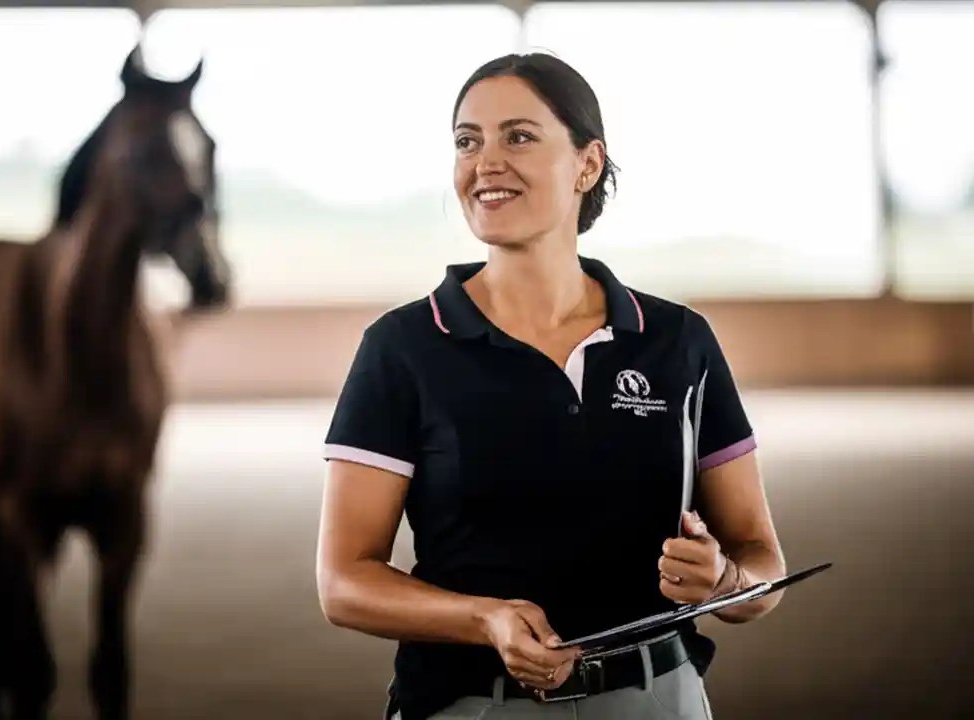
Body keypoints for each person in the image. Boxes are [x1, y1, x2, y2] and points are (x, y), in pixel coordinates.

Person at [315, 52, 786, 720]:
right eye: (467, 141)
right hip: (471, 706)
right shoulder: (403, 348)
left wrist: (723, 582)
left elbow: (763, 566)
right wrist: (484, 619)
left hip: (659, 699)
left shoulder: (677, 341)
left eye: (519, 136)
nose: (485, 162)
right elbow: (343, 582)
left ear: (587, 165)